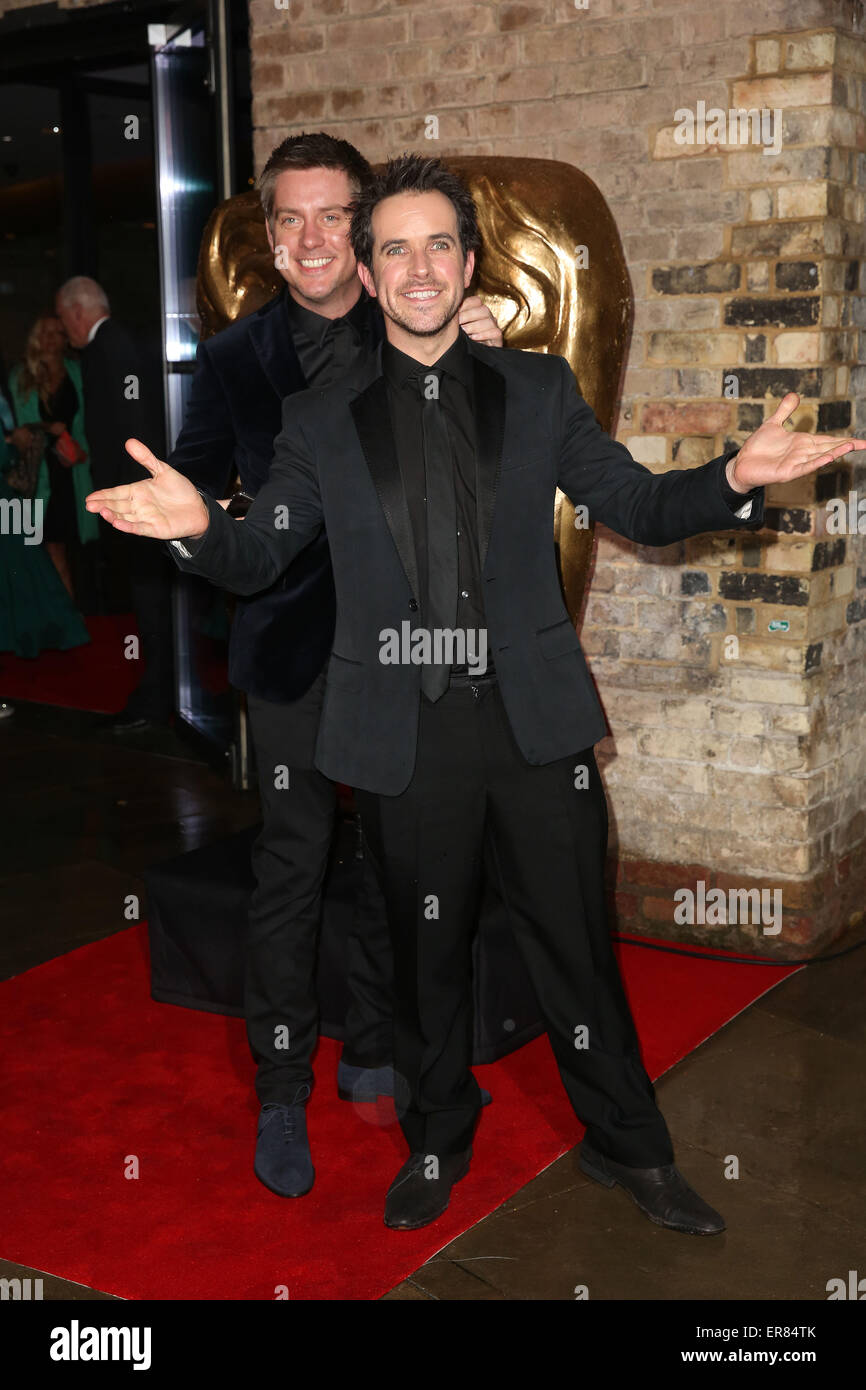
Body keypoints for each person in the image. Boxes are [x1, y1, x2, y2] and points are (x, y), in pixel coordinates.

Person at [87, 153, 859, 1236]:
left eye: (437, 243)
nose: (415, 265)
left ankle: (628, 1149)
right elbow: (263, 556)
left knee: (575, 949)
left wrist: (733, 471)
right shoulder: (318, 416)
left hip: (532, 719)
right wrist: (201, 530)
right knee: (420, 955)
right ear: (368, 263)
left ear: (465, 263)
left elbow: (633, 501)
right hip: (403, 731)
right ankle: (437, 1138)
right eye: (392, 245)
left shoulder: (534, 388)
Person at [88, 133, 502, 1199]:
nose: (312, 238)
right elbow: (190, 481)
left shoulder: (421, 323)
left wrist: (484, 352)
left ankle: (376, 1043)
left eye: (332, 216)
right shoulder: (232, 359)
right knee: (291, 865)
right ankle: (281, 1085)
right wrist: (209, 514)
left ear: (362, 231)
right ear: (268, 240)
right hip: (285, 653)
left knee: (393, 865)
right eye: (291, 219)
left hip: (408, 652)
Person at [55, 277, 173, 730]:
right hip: (135, 494)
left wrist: (131, 497)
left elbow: (134, 423)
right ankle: (157, 694)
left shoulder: (112, 344)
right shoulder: (116, 341)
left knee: (150, 600)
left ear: (78, 311)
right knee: (149, 600)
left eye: (65, 318)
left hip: (136, 498)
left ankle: (156, 700)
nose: (65, 329)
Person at [8, 314, 100, 598]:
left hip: (72, 472)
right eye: (45, 332)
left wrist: (84, 453)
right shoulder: (21, 376)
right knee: (48, 547)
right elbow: (16, 428)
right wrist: (47, 428)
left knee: (72, 547)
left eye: (58, 333)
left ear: (65, 339)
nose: (50, 338)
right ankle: (67, 618)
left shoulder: (76, 371)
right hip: (38, 473)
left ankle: (70, 616)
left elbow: (90, 421)